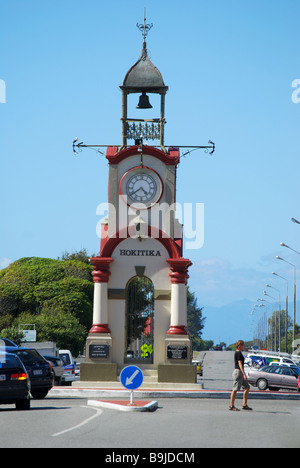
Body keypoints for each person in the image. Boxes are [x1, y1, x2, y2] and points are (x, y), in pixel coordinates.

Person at [229, 340, 252, 411]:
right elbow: (240, 364)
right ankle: (231, 405)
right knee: (235, 389)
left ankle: (244, 404)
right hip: (238, 372)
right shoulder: (238, 353)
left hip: (240, 373)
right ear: (239, 346)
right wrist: (244, 374)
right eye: (243, 345)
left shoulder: (239, 353)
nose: (244, 346)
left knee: (247, 387)